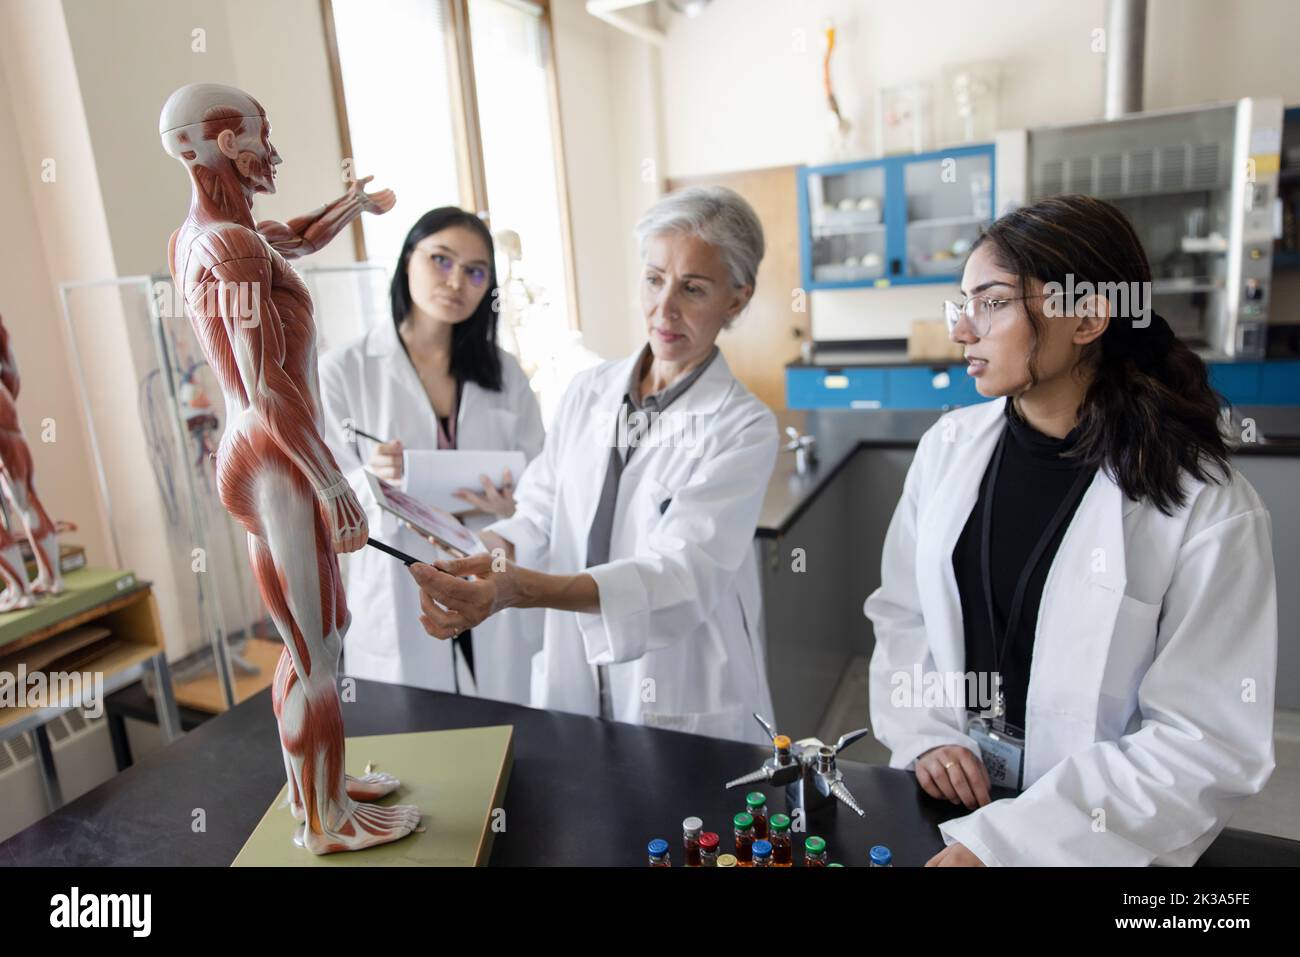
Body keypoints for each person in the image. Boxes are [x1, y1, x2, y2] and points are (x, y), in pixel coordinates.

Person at [865, 194, 1277, 866]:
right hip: (952, 805)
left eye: (993, 302)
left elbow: (1206, 740)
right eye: (962, 304)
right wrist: (927, 735)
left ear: (1087, 315)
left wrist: (1010, 845)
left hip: (1094, 844)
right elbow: (904, 614)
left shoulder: (1205, 505)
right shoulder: (948, 448)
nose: (963, 329)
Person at [408, 186, 779, 744]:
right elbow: (539, 510)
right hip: (575, 674)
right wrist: (494, 557)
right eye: (654, 279)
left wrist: (522, 591)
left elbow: (681, 573)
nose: (664, 308)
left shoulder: (742, 427)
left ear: (737, 299)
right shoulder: (590, 391)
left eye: (693, 289)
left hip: (682, 681)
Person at [319, 207, 544, 702]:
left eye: (475, 271)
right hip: (399, 574)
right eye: (441, 260)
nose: (456, 281)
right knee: (412, 735)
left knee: (503, 726)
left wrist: (514, 504)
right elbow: (324, 493)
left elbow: (541, 478)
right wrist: (371, 480)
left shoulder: (504, 373)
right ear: (406, 262)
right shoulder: (345, 370)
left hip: (485, 562)